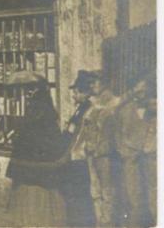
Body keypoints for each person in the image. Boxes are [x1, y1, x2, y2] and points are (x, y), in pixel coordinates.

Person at [6, 74, 68, 227]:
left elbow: (33, 124)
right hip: (41, 151)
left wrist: (20, 128)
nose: (27, 92)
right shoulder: (43, 102)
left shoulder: (38, 103)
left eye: (30, 88)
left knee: (35, 189)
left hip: (36, 154)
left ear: (36, 88)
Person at [115, 77, 156, 227]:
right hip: (131, 161)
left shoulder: (155, 109)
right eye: (138, 91)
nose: (141, 95)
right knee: (133, 198)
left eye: (144, 91)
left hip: (151, 161)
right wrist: (124, 151)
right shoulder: (124, 110)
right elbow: (117, 135)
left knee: (154, 197)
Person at [82, 70, 121, 226]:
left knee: (107, 191)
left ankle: (107, 223)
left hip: (106, 155)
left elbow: (113, 131)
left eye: (95, 81)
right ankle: (100, 222)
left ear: (105, 82)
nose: (92, 85)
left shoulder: (114, 102)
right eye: (90, 82)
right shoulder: (94, 104)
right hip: (92, 154)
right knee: (95, 192)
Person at [60, 70, 97, 227]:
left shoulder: (88, 110)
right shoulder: (79, 109)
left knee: (80, 195)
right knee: (72, 195)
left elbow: (79, 135)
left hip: (79, 159)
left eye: (76, 92)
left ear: (85, 93)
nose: (73, 95)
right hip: (72, 158)